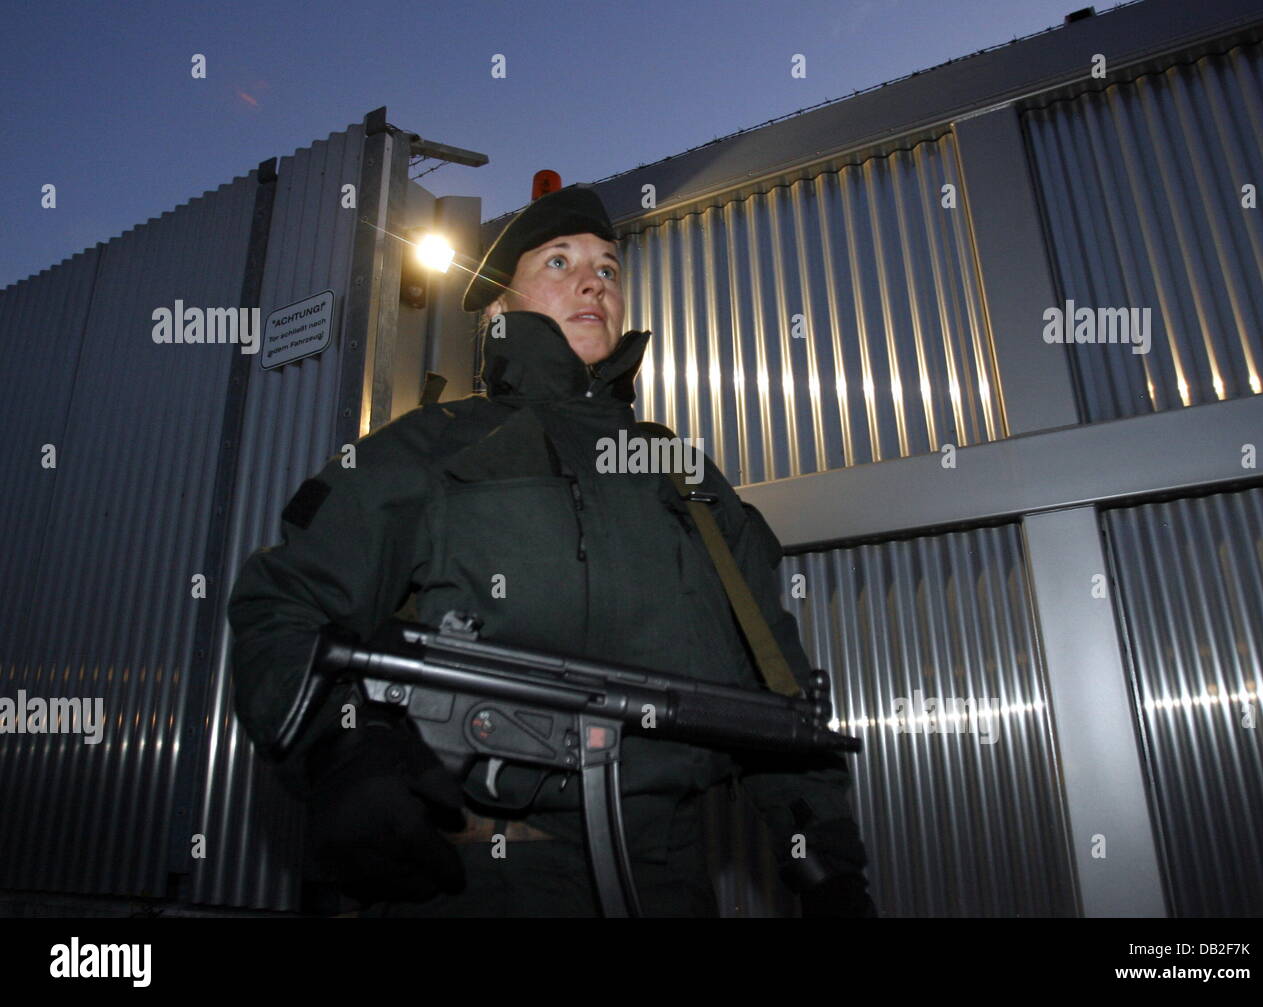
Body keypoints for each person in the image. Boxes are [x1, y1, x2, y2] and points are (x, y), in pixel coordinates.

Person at [227, 184, 877, 917]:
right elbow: (281, 608)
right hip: (474, 872)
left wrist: (827, 863)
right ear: (500, 311)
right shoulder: (430, 446)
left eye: (608, 267)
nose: (593, 280)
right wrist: (341, 755)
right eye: (560, 262)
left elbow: (772, 687)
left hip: (667, 878)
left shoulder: (685, 477)